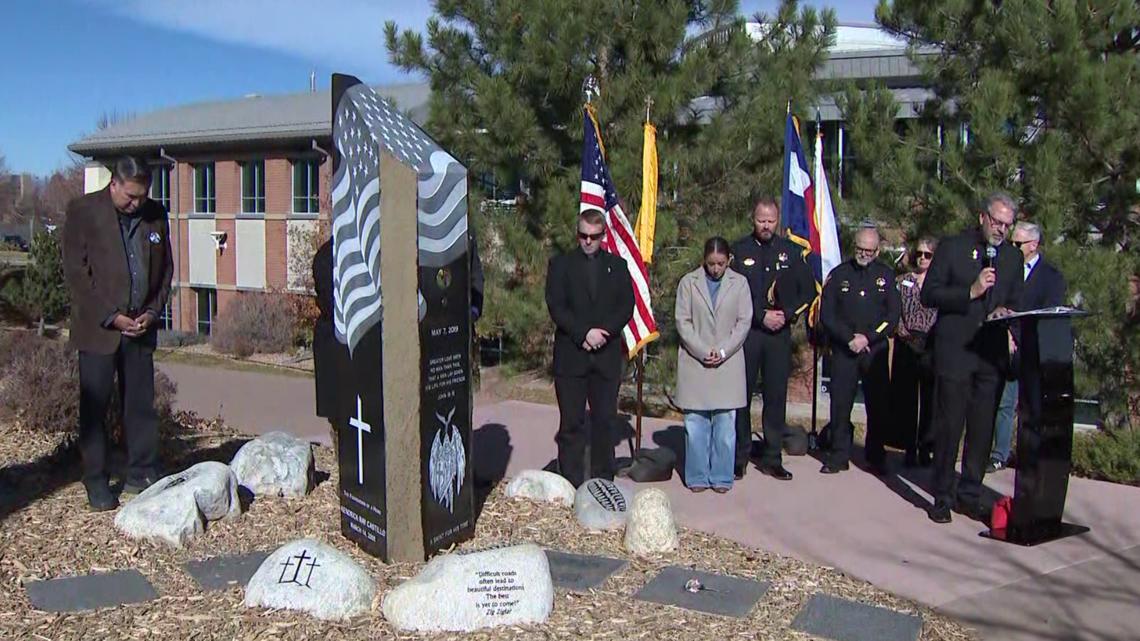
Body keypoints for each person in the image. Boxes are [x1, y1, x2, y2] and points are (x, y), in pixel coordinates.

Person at [62, 156, 173, 512]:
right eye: (129, 197)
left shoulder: (155, 213)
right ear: (114, 184)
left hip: (140, 327)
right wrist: (112, 316)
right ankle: (96, 479)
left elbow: (165, 269)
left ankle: (141, 471)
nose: (135, 204)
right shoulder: (83, 211)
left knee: (140, 406)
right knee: (95, 409)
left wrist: (153, 312)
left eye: (141, 197)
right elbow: (77, 275)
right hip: (100, 330)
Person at [921, 193, 1023, 524]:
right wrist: (970, 291)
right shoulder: (953, 247)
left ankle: (970, 492)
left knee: (981, 430)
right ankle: (942, 495)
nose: (1001, 229)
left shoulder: (1011, 258)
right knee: (950, 426)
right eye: (997, 222)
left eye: (1007, 225)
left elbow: (1017, 301)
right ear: (982, 216)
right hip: (956, 351)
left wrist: (1007, 312)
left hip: (989, 354)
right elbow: (929, 294)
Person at [545, 208, 634, 487]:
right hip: (572, 356)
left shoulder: (617, 267)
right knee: (571, 423)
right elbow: (556, 305)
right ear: (577, 234)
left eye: (593, 236)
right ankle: (570, 481)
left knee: (604, 422)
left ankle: (602, 480)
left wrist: (604, 334)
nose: (587, 241)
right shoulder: (561, 265)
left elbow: (626, 306)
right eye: (583, 235)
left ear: (603, 236)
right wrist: (582, 333)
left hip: (605, 358)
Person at [730, 196, 813, 481]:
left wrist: (787, 314)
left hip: (779, 335)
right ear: (752, 219)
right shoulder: (739, 252)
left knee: (775, 397)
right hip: (750, 333)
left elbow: (808, 292)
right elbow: (734, 293)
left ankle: (772, 457)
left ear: (778, 221)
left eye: (771, 221)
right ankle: (739, 457)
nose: (766, 226)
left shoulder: (791, 252)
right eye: (760, 220)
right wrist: (760, 315)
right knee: (741, 396)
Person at [818, 226, 900, 474]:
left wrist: (869, 337)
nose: (864, 254)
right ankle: (838, 455)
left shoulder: (886, 276)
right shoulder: (839, 274)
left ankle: (875, 455)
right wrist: (847, 338)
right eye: (860, 249)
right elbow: (827, 315)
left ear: (877, 251)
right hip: (845, 350)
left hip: (873, 351)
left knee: (878, 405)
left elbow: (893, 315)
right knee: (840, 404)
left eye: (869, 250)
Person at [673, 237, 753, 493]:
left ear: (729, 260)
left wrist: (722, 350)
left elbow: (744, 322)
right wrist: (701, 350)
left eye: (720, 264)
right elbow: (682, 321)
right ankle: (696, 476)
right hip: (695, 363)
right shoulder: (688, 283)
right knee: (695, 424)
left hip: (727, 364)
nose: (715, 269)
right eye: (711, 264)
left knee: (725, 427)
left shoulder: (740, 283)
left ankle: (721, 476)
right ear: (703, 261)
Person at [987, 221, 1067, 472]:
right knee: (1003, 403)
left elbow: (1047, 313)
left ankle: (1029, 456)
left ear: (1033, 245)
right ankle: (998, 454)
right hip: (1004, 345)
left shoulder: (1051, 277)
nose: (1012, 247)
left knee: (1031, 409)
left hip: (1034, 351)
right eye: (1010, 242)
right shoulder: (1005, 269)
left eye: (1017, 244)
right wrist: (1007, 333)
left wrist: (1018, 335)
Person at [892, 236, 939, 468]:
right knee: (907, 399)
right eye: (919, 254)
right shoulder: (902, 282)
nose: (922, 258)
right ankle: (908, 447)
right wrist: (903, 333)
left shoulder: (939, 284)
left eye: (927, 255)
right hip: (906, 342)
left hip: (931, 344)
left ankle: (926, 446)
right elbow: (894, 310)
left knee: (930, 400)